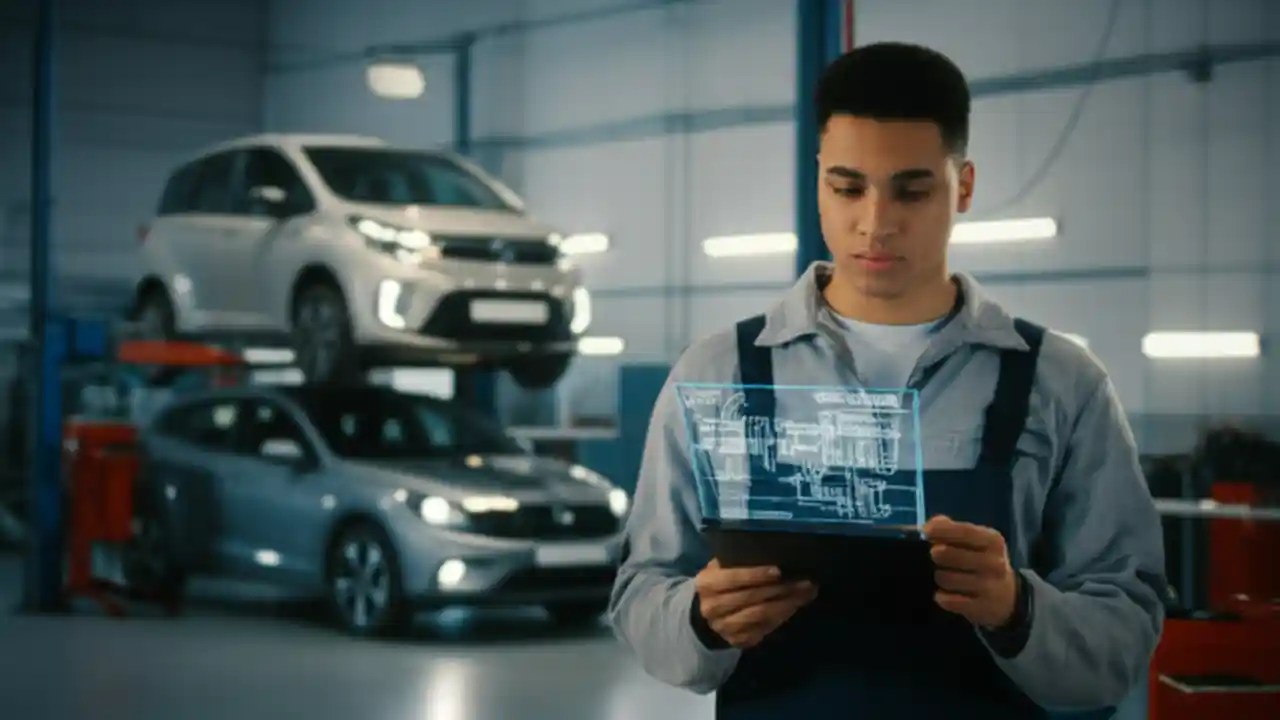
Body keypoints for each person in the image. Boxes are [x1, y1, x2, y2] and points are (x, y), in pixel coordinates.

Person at [607, 42, 1167, 718]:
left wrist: (1018, 610)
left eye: (912, 189)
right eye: (847, 187)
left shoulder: (1062, 384)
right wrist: (699, 619)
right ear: (818, 179)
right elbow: (642, 589)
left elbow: (1124, 628)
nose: (875, 223)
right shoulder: (720, 374)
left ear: (962, 186)